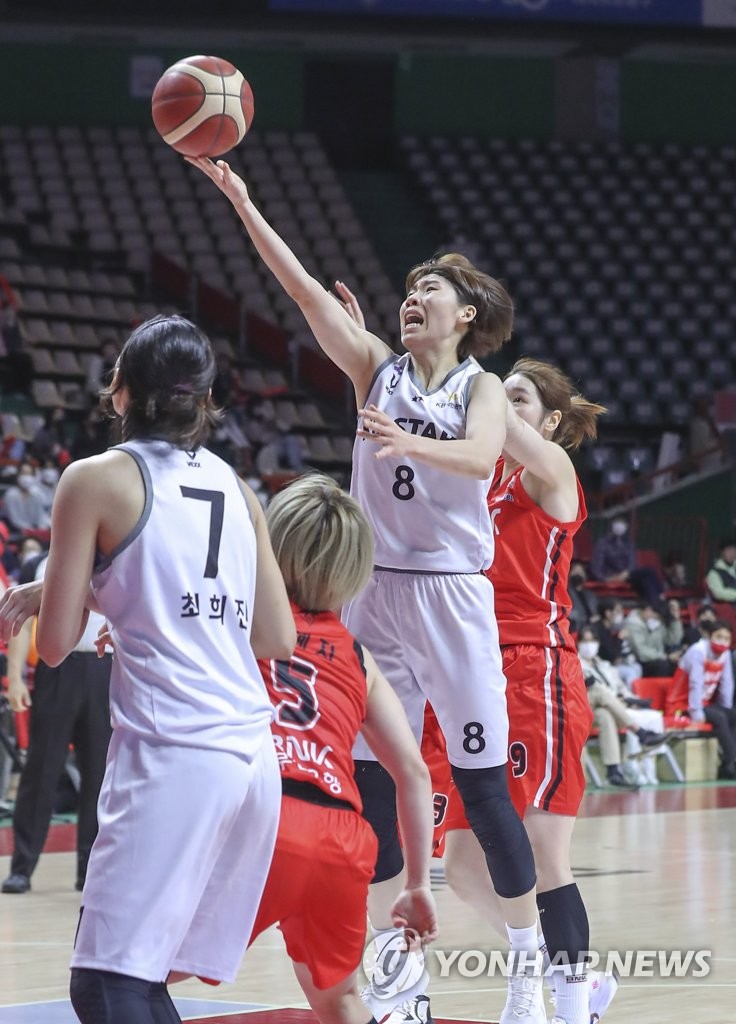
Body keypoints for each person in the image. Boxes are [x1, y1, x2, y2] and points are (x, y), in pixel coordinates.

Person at [190, 154, 545, 1024]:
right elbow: (306, 291)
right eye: (410, 286)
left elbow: (478, 456)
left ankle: (530, 964)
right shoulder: (375, 368)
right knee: (373, 776)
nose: (412, 296)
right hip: (375, 592)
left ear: (466, 316)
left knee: (483, 784)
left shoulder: (481, 386)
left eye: (431, 289)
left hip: (456, 598)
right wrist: (242, 200)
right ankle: (396, 965)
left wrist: (404, 442)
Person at [0, 314, 296, 1024]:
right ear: (203, 399)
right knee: (135, 979)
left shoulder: (94, 478)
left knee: (106, 984)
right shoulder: (234, 482)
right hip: (251, 759)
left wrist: (65, 591)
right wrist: (122, 593)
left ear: (120, 389)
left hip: (176, 758)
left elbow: (59, 640)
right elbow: (276, 633)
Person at [184, 474, 438, 1024]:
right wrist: (417, 884)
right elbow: (414, 774)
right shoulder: (358, 656)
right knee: (340, 1003)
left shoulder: (236, 618)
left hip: (262, 817)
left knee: (129, 975)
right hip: (342, 837)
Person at [419, 359, 617, 1024]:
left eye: (518, 398)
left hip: (536, 671)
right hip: (468, 674)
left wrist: (456, 374)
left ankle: (568, 1006)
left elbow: (486, 421)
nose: (501, 404)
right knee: (466, 864)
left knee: (541, 851)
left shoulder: (552, 473)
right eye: (499, 394)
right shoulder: (481, 483)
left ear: (552, 422)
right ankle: (569, 975)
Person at [1, 551, 112, 895]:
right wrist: (16, 676)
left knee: (99, 775)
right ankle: (22, 867)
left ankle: (89, 870)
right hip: (57, 669)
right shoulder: (41, 563)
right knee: (41, 768)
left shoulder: (118, 558)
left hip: (105, 668)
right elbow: (23, 624)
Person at [577, 624, 668, 788]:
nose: (589, 645)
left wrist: (632, 700)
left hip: (605, 709)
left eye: (592, 641)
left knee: (605, 715)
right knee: (598, 689)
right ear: (579, 643)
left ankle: (613, 771)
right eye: (585, 641)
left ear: (598, 642)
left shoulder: (605, 665)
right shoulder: (575, 662)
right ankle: (640, 732)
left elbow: (621, 688)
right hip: (581, 706)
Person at [675, 620, 736, 780]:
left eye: (726, 638)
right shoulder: (698, 651)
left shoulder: (726, 654)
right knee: (720, 718)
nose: (722, 641)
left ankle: (727, 764)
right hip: (682, 703)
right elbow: (695, 683)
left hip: (706, 703)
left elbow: (727, 683)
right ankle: (730, 762)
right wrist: (696, 712)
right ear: (709, 636)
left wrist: (727, 709)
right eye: (718, 637)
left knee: (731, 715)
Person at [589, 515, 664, 607]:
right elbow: (596, 567)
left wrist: (626, 573)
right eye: (618, 522)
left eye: (622, 523)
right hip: (611, 576)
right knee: (649, 573)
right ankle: (660, 600)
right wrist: (607, 578)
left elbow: (632, 563)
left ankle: (657, 604)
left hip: (628, 575)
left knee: (647, 580)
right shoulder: (602, 544)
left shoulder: (628, 543)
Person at [626, 602, 683, 677]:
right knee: (662, 665)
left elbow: (672, 640)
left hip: (658, 657)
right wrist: (666, 657)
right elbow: (641, 652)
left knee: (679, 664)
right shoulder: (633, 624)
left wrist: (675, 620)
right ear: (648, 610)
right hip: (639, 661)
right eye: (657, 617)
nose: (657, 620)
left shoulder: (657, 624)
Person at [593, 600, 642, 686]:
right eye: (617, 611)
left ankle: (636, 695)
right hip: (602, 665)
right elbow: (611, 655)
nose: (621, 614)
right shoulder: (597, 629)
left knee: (637, 667)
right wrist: (620, 638)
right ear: (608, 613)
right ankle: (630, 697)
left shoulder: (609, 628)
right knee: (630, 672)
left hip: (614, 663)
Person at [2, 461, 48, 534]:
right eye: (24, 474)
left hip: (35, 530)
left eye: (29, 474)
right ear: (18, 476)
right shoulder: (11, 495)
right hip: (15, 531)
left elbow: (40, 516)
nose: (27, 477)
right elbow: (14, 520)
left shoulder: (36, 494)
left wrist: (41, 529)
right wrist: (29, 530)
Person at [567, 561, 599, 636]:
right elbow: (569, 613)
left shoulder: (591, 595)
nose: (578, 573)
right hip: (574, 626)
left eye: (580, 571)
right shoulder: (565, 592)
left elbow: (594, 614)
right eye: (575, 571)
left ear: (585, 576)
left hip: (591, 628)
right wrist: (586, 620)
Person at [705, 539, 736, 607]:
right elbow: (718, 594)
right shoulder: (714, 573)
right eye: (728, 550)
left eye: (734, 550)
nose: (732, 553)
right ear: (722, 552)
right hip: (727, 609)